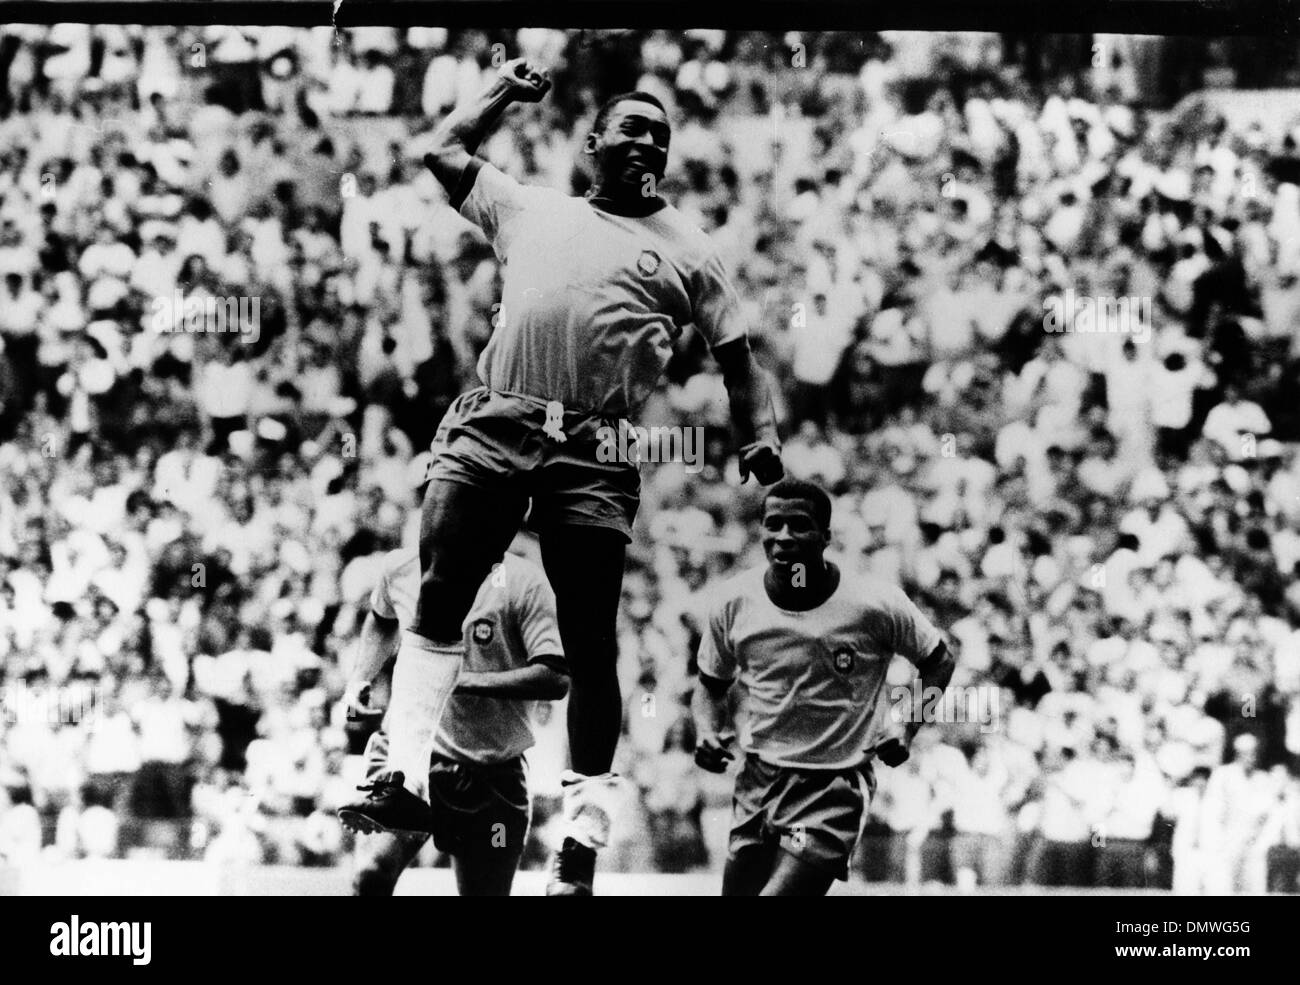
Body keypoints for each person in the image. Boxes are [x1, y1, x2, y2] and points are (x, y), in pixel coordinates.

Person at [340, 57, 783, 896]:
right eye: (633, 127)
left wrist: (756, 437)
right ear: (593, 144)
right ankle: (396, 775)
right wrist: (501, 90)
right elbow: (441, 150)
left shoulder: (689, 248)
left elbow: (739, 358)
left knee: (588, 634)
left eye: (661, 133)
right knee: (439, 592)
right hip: (499, 414)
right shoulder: (527, 205)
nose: (648, 141)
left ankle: (579, 839)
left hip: (596, 443)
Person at [691, 478, 956, 895]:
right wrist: (706, 731)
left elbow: (939, 662)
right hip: (759, 779)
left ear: (825, 537)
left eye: (799, 525)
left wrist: (907, 725)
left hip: (834, 785)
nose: (784, 537)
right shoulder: (734, 602)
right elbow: (709, 685)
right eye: (773, 524)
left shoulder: (874, 602)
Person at [340, 534, 568, 896]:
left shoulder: (525, 581)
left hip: (493, 771)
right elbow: (381, 618)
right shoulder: (402, 567)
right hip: (410, 755)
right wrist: (360, 677)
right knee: (371, 875)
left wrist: (466, 682)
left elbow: (555, 676)